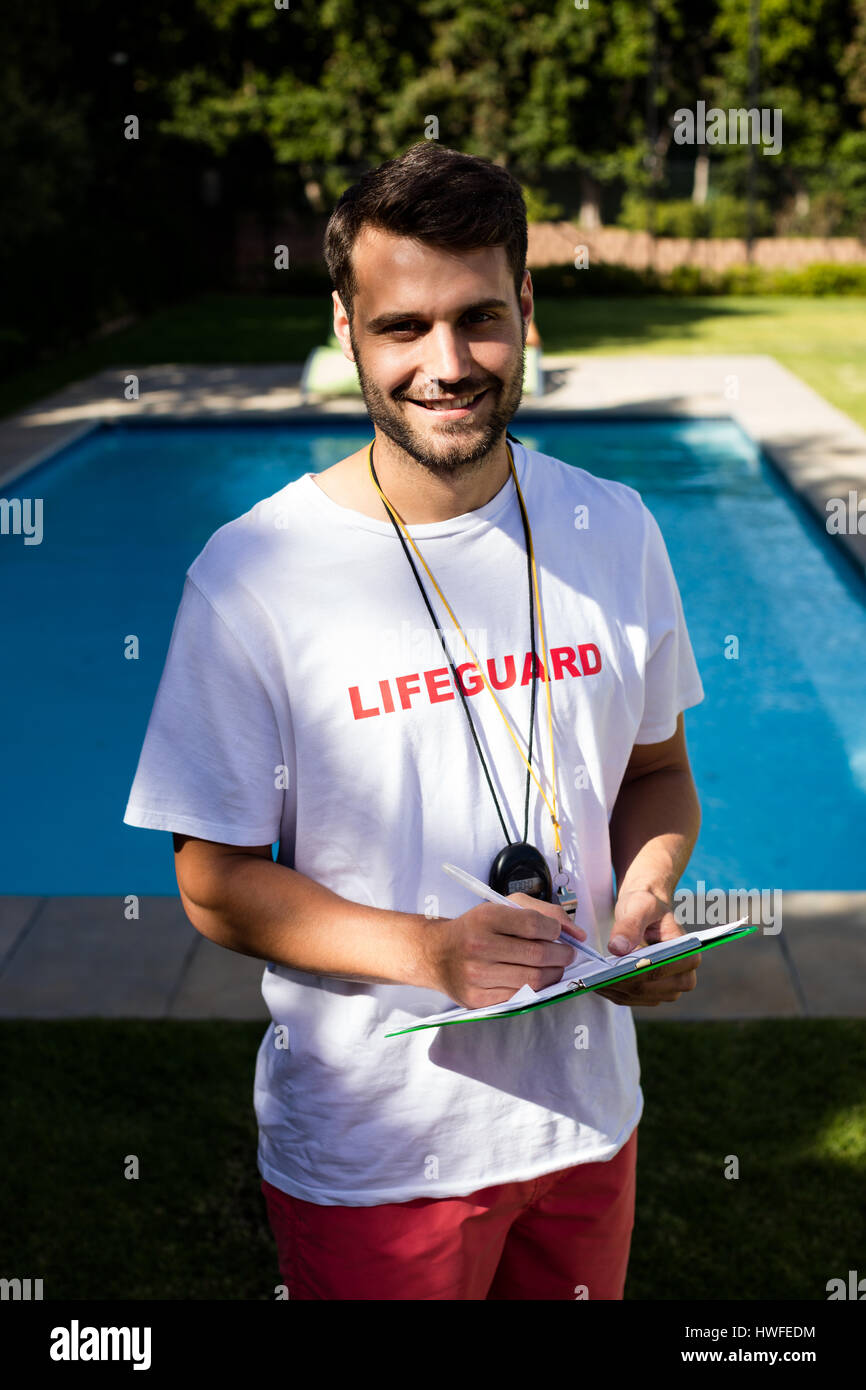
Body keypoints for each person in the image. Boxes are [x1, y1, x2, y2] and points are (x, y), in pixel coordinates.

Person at [123, 141, 705, 1301]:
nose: (446, 365)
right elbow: (212, 879)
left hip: (587, 1125)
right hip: (378, 1150)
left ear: (526, 311)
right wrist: (430, 953)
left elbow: (657, 771)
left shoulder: (614, 528)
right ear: (345, 327)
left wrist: (640, 899)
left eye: (479, 318)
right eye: (402, 327)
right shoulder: (252, 574)